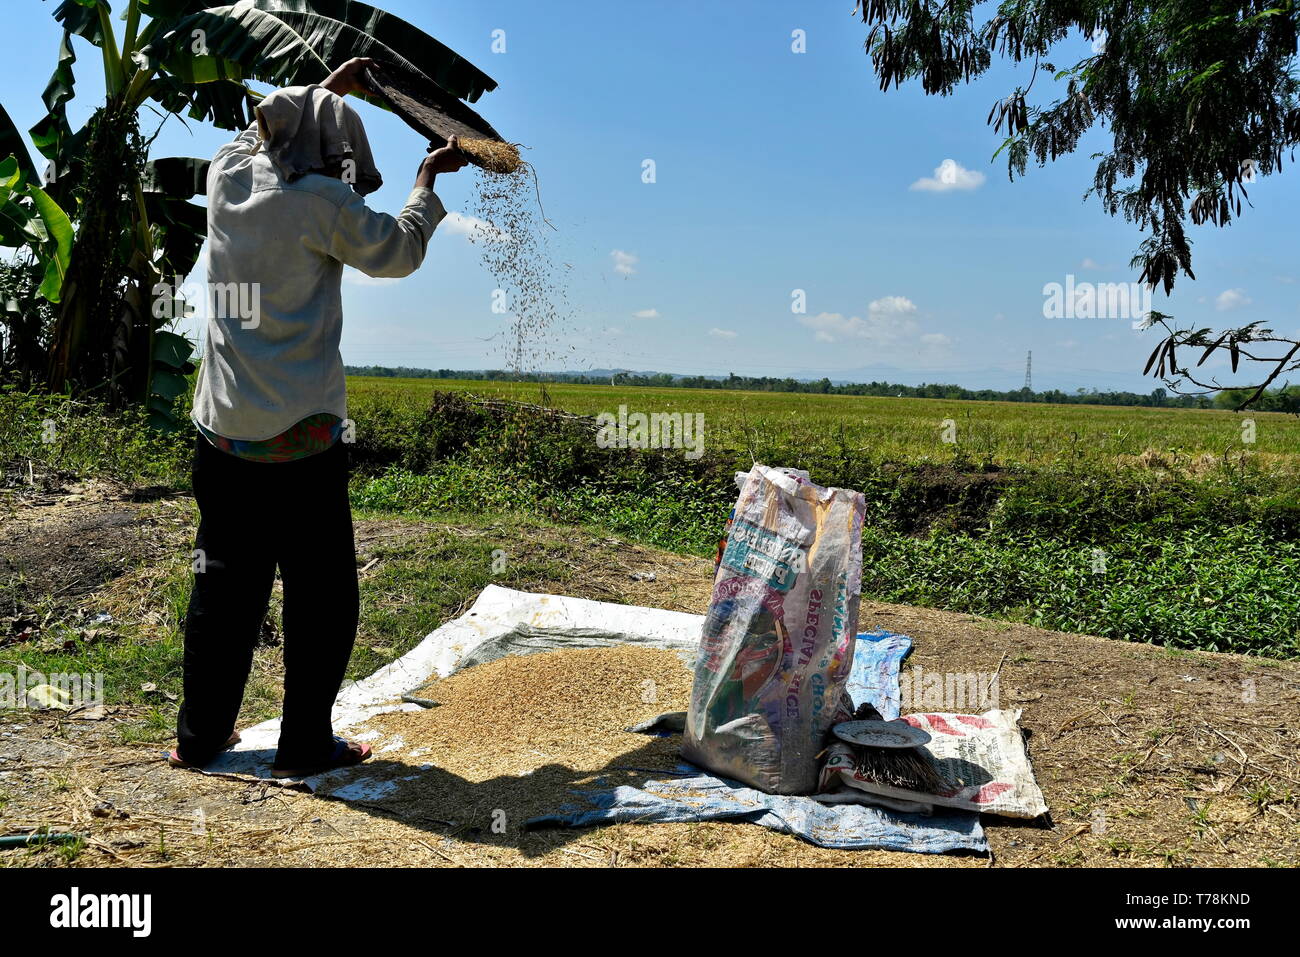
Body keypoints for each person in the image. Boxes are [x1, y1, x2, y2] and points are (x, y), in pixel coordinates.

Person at [169, 58, 467, 777]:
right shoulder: (324, 207)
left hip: (223, 432)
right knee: (321, 596)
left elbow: (262, 130)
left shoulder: (227, 174)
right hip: (301, 443)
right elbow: (396, 251)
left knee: (224, 591)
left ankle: (198, 737)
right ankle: (303, 744)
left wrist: (323, 87)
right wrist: (425, 184)